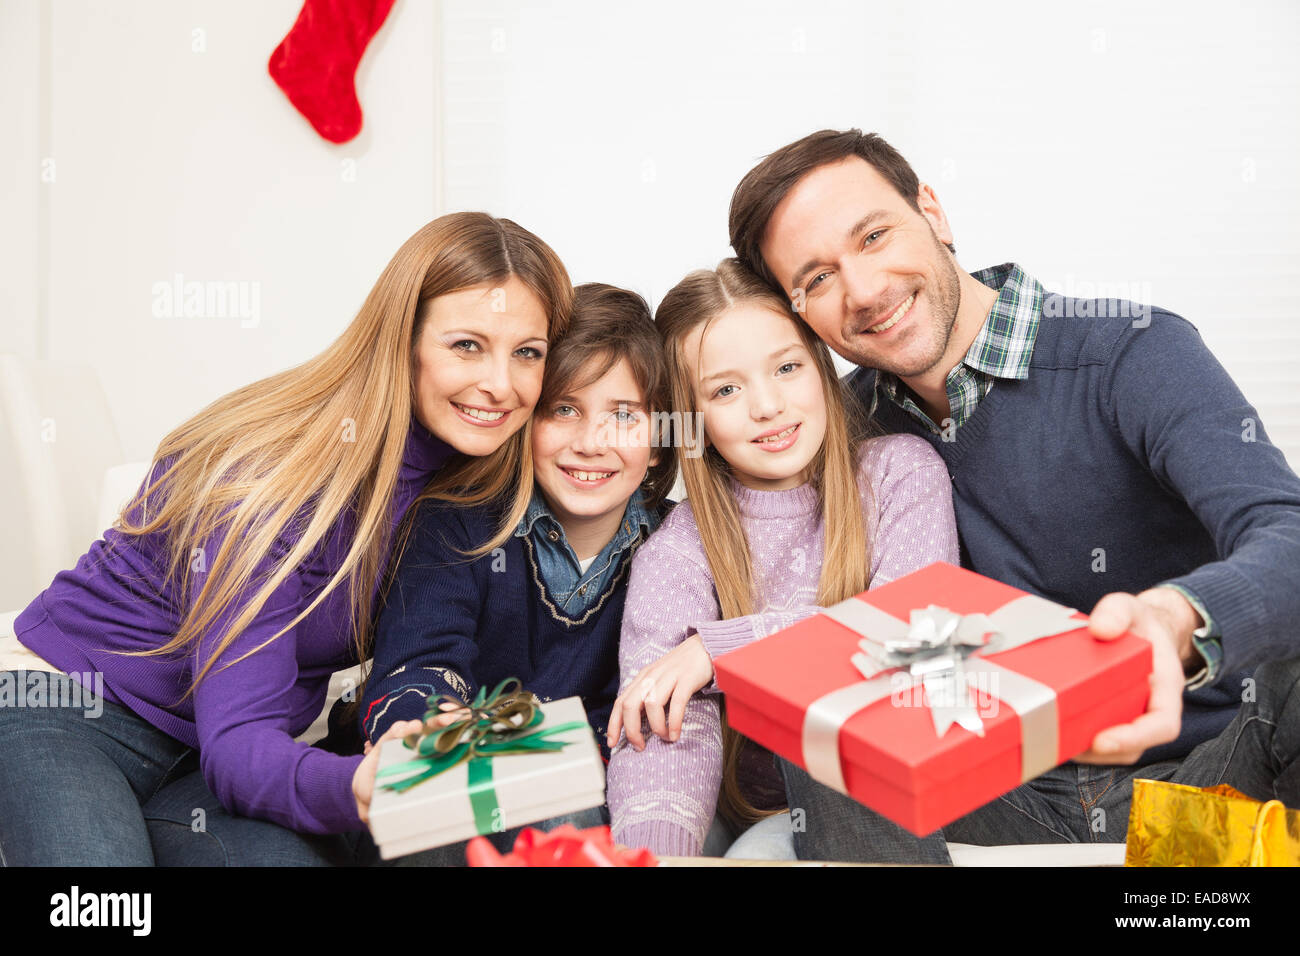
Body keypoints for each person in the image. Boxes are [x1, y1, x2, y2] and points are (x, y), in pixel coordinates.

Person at [723, 128, 1300, 862]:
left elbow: (1288, 534)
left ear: (932, 212)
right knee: (824, 719)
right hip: (991, 789)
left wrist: (1175, 618)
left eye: (873, 236)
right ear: (797, 311)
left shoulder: (1132, 351)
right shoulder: (835, 426)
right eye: (818, 279)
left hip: (1206, 780)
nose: (864, 292)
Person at [0, 212, 572, 866]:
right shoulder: (273, 480)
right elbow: (241, 739)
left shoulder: (477, 481)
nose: (501, 384)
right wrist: (361, 784)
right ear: (401, 340)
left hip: (222, 748)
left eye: (527, 352)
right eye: (466, 345)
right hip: (69, 703)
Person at [604, 259, 959, 856]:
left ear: (821, 369)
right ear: (691, 418)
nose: (766, 406)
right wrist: (653, 853)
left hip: (892, 793)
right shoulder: (677, 548)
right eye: (726, 389)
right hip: (754, 806)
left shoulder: (901, 472)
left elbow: (913, 640)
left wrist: (721, 649)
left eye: (788, 368)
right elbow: (663, 724)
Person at [354, 283, 678, 865]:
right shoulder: (456, 523)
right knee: (438, 802)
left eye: (624, 415)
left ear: (658, 442)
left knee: (569, 814)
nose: (590, 442)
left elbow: (644, 703)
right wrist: (432, 722)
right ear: (525, 420)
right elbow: (421, 659)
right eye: (564, 410)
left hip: (586, 785)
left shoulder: (678, 545)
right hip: (458, 772)